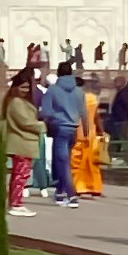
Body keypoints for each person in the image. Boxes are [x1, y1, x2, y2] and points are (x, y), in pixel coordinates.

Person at [39, 62, 86, 207]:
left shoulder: (53, 90)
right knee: (62, 161)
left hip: (59, 127)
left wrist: (48, 117)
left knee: (62, 162)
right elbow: (83, 113)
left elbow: (46, 112)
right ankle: (59, 192)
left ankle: (71, 195)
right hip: (73, 128)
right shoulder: (78, 91)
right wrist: (87, 131)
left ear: (58, 73)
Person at [0, 74, 43, 216]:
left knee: (20, 174)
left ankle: (15, 202)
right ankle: (15, 204)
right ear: (15, 87)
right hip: (21, 141)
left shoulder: (18, 101)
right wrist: (43, 125)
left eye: (27, 87)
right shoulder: (16, 102)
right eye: (22, 87)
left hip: (23, 141)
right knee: (20, 175)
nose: (25, 90)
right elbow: (25, 122)